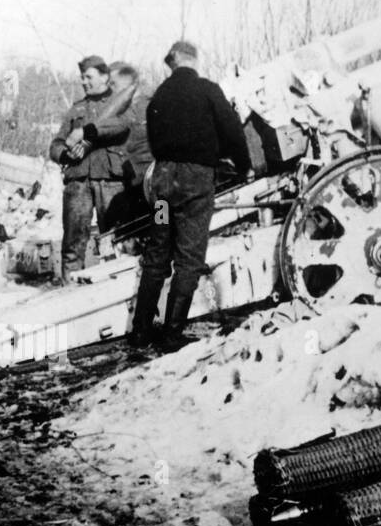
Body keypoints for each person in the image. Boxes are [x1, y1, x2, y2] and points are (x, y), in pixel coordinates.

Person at [135, 40, 244, 352]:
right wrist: (242, 164)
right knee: (189, 256)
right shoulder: (207, 90)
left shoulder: (159, 96)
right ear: (194, 60)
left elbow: (154, 140)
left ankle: (141, 330)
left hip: (162, 184)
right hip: (195, 183)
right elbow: (232, 129)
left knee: (157, 253)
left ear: (172, 63)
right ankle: (172, 334)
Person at [48, 56, 128, 281]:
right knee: (73, 242)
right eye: (82, 77)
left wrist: (88, 133)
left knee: (114, 240)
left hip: (110, 180)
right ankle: (71, 293)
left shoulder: (120, 105)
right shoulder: (76, 109)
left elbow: (121, 129)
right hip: (78, 182)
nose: (84, 81)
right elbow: (56, 144)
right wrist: (64, 153)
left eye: (89, 76)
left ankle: (116, 289)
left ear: (104, 77)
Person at [73, 61, 153, 252]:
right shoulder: (127, 109)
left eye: (113, 85)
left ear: (128, 85)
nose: (109, 91)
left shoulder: (146, 106)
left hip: (155, 185)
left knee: (160, 228)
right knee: (131, 238)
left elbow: (119, 125)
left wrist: (87, 132)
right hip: (134, 187)